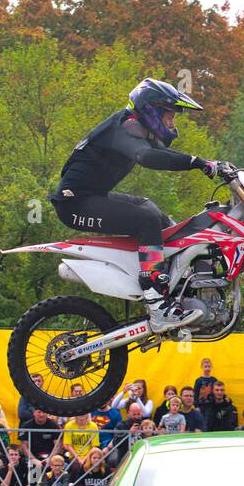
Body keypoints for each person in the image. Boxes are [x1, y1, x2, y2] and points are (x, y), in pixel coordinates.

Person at [49, 77, 224, 332]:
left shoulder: (136, 127)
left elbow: (164, 153)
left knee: (154, 213)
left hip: (92, 196)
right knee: (147, 220)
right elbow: (148, 157)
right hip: (74, 204)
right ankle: (156, 302)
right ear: (151, 110)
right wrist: (198, 162)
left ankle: (174, 284)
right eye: (169, 116)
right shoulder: (124, 127)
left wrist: (212, 164)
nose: (172, 123)